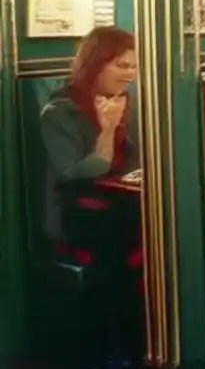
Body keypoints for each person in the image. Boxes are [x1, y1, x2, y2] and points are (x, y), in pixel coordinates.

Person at [40, 25, 140, 244]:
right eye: (122, 66)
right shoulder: (59, 112)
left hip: (118, 200)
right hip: (74, 211)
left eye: (134, 67)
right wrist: (108, 130)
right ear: (95, 66)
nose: (130, 75)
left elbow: (129, 163)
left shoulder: (122, 99)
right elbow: (75, 176)